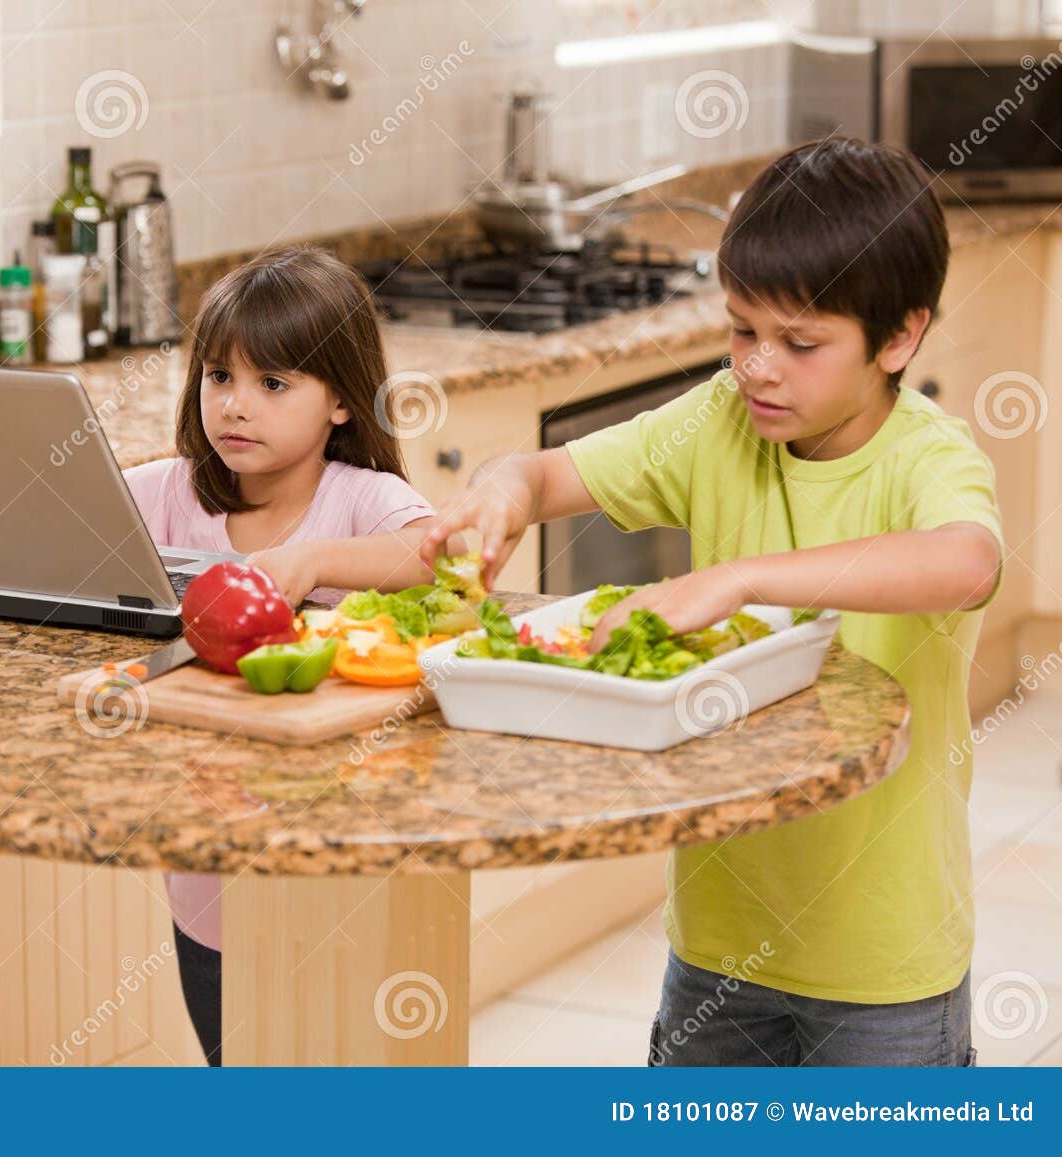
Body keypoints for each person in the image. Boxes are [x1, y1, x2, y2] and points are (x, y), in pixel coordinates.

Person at [422, 138, 1004, 1066]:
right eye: (742, 330)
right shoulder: (716, 424)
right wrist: (500, 490)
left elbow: (966, 563)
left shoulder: (929, 460)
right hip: (720, 944)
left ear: (899, 337)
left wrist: (738, 577)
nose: (757, 368)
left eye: (800, 343)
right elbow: (536, 471)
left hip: (883, 961)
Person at [123, 243, 455, 1064]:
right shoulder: (167, 492)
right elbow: (64, 528)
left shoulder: (358, 499)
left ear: (341, 399)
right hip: (206, 879)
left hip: (339, 874)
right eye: (219, 378)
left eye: (273, 384)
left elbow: (439, 559)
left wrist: (313, 563)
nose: (237, 406)